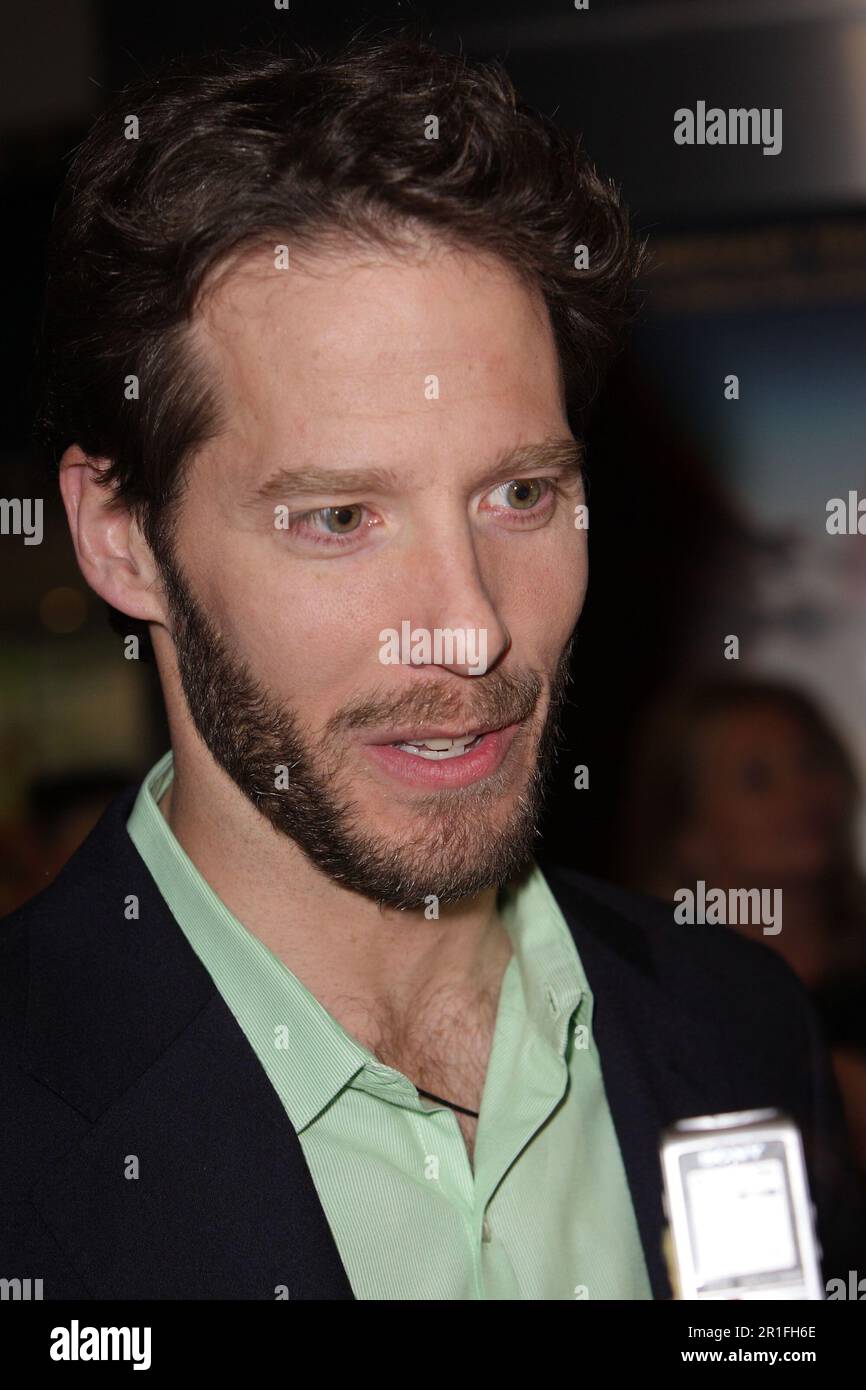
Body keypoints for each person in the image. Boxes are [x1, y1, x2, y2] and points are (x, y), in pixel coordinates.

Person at [1, 34, 862, 1301]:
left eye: (519, 493)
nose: (467, 631)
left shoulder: (731, 1023)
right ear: (121, 540)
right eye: (338, 519)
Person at [620, 678, 866, 1186]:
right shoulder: (651, 1005)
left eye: (812, 762)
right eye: (758, 779)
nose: (803, 793)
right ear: (688, 834)